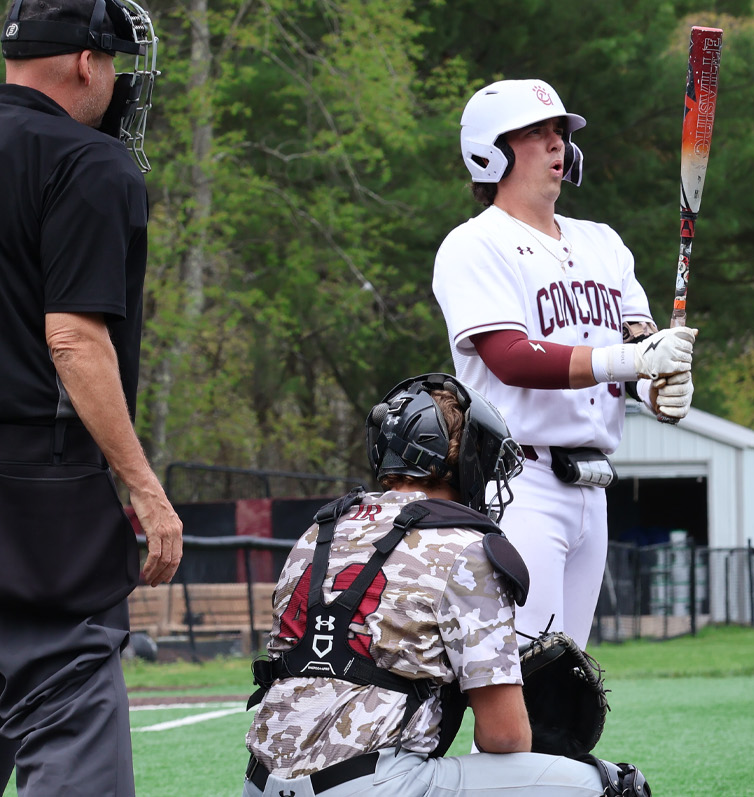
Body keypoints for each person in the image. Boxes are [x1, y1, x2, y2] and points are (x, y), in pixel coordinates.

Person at [245, 373, 643, 796]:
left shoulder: (318, 532)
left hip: (261, 784)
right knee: (615, 785)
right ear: (469, 459)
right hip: (372, 786)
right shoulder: (467, 547)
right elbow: (505, 737)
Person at [433, 78, 696, 647]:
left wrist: (658, 386)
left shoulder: (603, 242)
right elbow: (510, 357)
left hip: (592, 485)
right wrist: (630, 360)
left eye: (560, 132)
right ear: (491, 151)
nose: (558, 143)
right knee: (521, 667)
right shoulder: (475, 244)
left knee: (569, 673)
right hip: (518, 483)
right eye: (537, 132)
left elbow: (636, 341)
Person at [0, 0, 179, 794]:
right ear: (85, 61)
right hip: (40, 493)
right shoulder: (88, 161)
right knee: (68, 698)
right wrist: (144, 487)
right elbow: (73, 339)